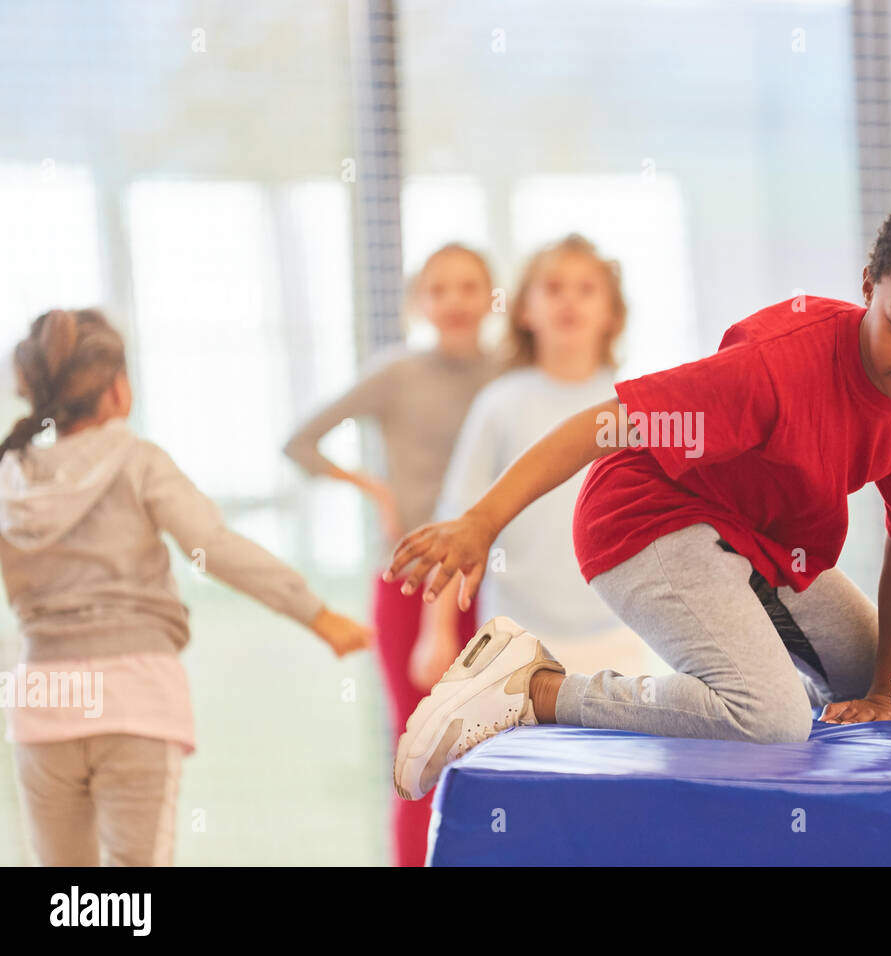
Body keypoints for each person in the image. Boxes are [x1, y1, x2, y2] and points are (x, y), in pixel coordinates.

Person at [386, 191, 891, 802]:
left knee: (878, 674)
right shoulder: (780, 364)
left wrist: (884, 695)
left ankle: (752, 706)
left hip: (761, 543)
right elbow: (606, 424)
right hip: (645, 514)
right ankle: (533, 688)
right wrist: (482, 521)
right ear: (868, 288)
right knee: (770, 719)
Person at [0, 308, 371, 865]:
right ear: (118, 389)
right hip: (133, 693)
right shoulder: (138, 460)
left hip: (43, 699)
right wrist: (317, 613)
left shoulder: (10, 477)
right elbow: (213, 545)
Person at [282, 243, 498, 865]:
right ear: (418, 303)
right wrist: (376, 491)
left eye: (468, 286)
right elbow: (299, 443)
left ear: (491, 298)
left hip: (491, 583)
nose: (453, 300)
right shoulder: (395, 374)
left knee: (492, 751)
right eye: (438, 288)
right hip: (411, 582)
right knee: (420, 749)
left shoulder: (507, 377)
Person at [410, 235, 668, 690]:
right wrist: (436, 632)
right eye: (552, 288)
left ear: (612, 314)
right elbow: (457, 518)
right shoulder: (499, 404)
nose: (569, 300)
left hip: (619, 636)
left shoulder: (640, 406)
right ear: (525, 312)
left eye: (586, 289)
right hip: (513, 639)